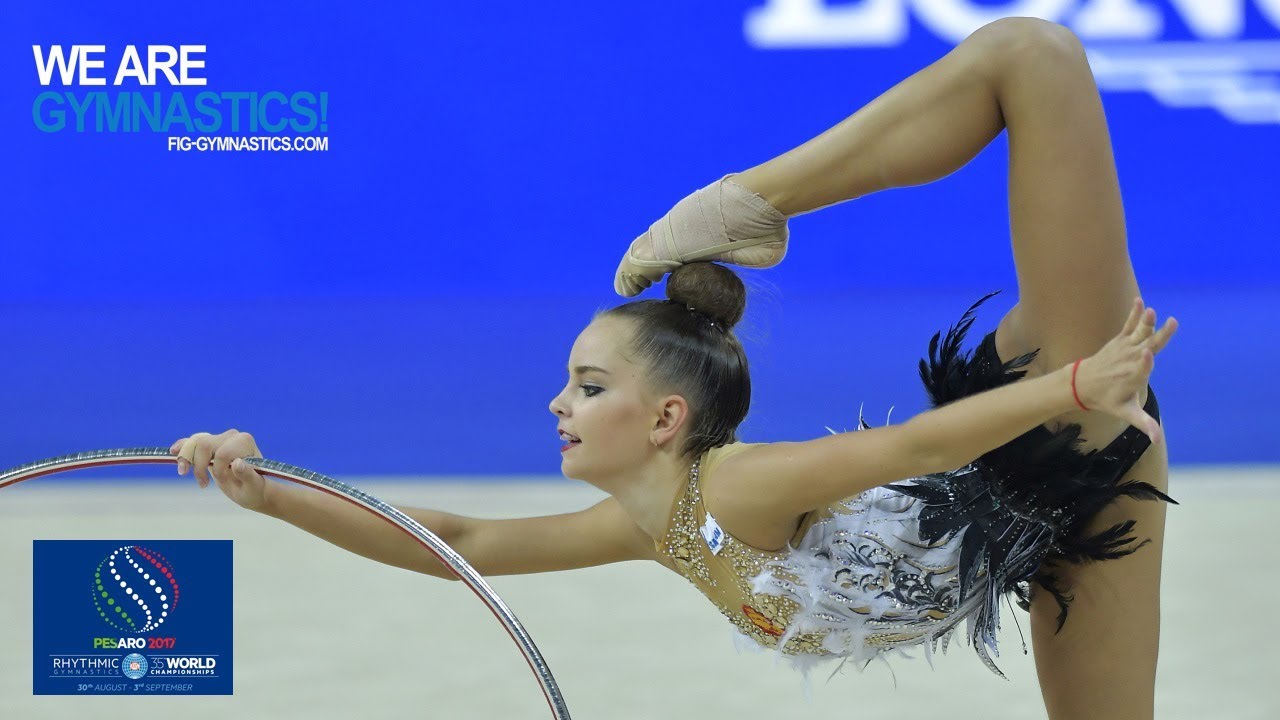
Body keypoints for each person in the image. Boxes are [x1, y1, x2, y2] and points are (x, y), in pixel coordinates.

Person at [171, 16, 1178, 720]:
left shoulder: (740, 486)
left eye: (588, 386)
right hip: (1060, 521)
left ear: (664, 420)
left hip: (1056, 419)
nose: (557, 404)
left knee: (1031, 57)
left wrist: (1076, 387)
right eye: (572, 384)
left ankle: (754, 195)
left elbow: (907, 442)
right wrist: (272, 493)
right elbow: (456, 538)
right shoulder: (651, 525)